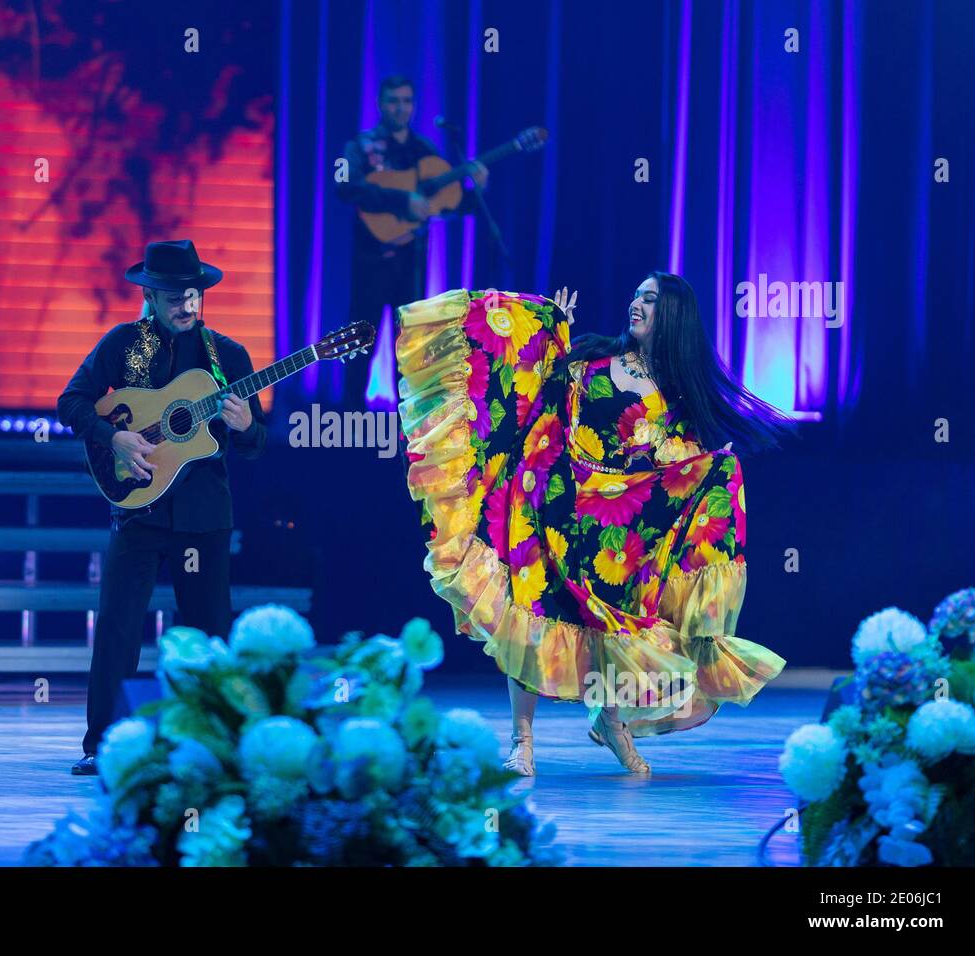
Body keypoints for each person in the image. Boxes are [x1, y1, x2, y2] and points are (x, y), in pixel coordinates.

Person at [395, 274, 796, 775]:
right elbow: (534, 398)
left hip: (618, 519)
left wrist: (697, 469)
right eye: (636, 294)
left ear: (672, 315)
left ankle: (612, 721)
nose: (636, 303)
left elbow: (676, 460)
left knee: (619, 616)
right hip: (559, 498)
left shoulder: (678, 392)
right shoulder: (589, 361)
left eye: (650, 299)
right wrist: (549, 330)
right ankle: (522, 741)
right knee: (531, 607)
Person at [57, 239, 267, 775]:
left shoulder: (229, 357)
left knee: (210, 633)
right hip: (138, 510)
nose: (187, 305)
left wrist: (247, 428)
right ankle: (102, 747)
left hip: (204, 517)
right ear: (151, 295)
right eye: (174, 294)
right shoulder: (122, 344)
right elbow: (72, 401)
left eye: (193, 293)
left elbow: (255, 443)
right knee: (118, 630)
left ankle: (215, 747)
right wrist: (114, 438)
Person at [336, 73, 487, 409]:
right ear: (380, 104)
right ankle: (347, 430)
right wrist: (401, 200)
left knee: (410, 349)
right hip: (371, 262)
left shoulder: (424, 150)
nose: (400, 108)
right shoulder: (361, 147)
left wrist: (476, 187)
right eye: (393, 101)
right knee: (361, 343)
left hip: (412, 262)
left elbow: (451, 203)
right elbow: (344, 186)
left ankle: (407, 437)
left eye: (406, 101)